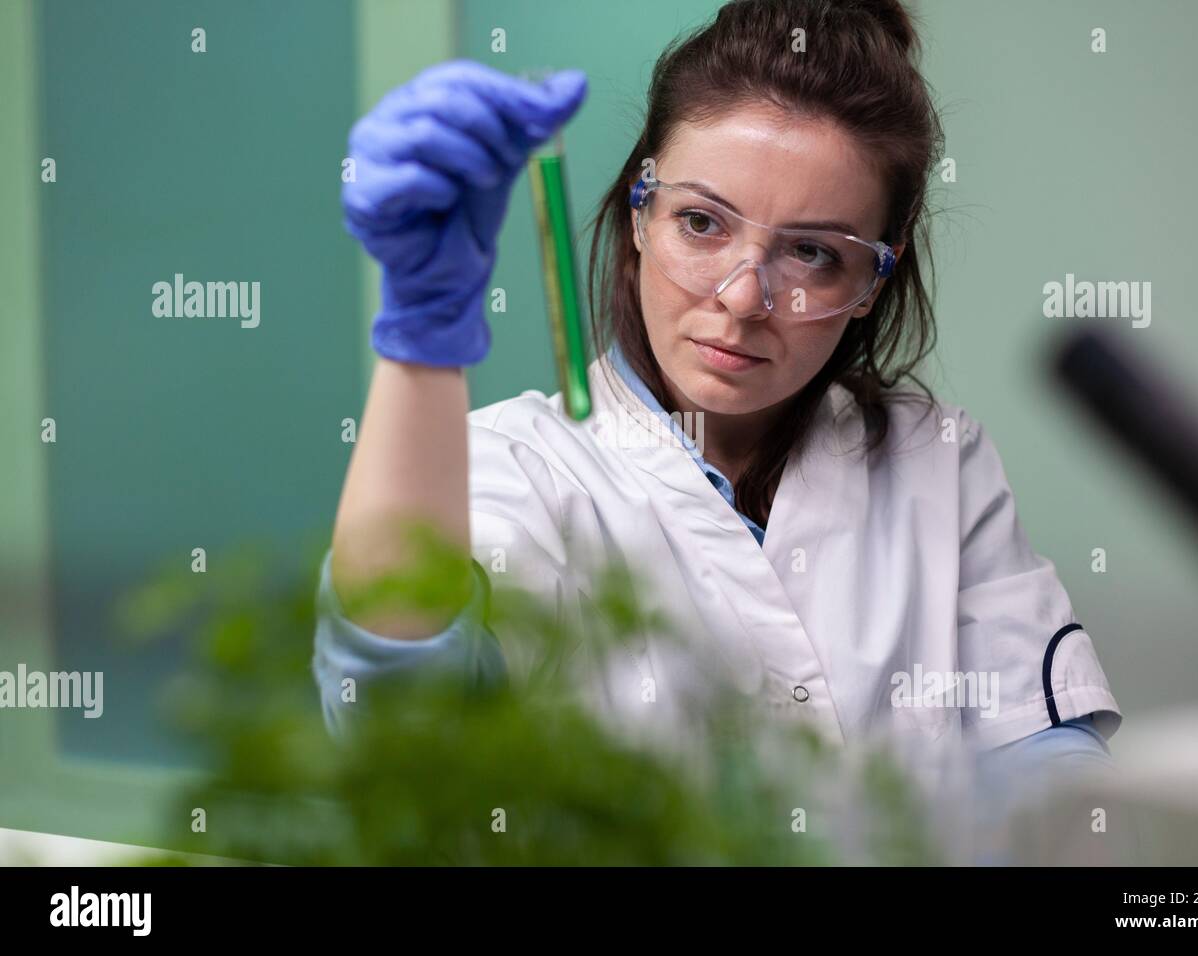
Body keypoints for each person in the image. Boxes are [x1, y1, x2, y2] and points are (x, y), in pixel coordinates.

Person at [314, 0, 1121, 776]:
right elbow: (399, 715)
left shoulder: (934, 459)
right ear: (639, 214)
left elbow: (1044, 774)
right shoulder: (511, 466)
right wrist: (421, 341)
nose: (741, 299)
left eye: (812, 254)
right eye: (701, 223)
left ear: (875, 277)